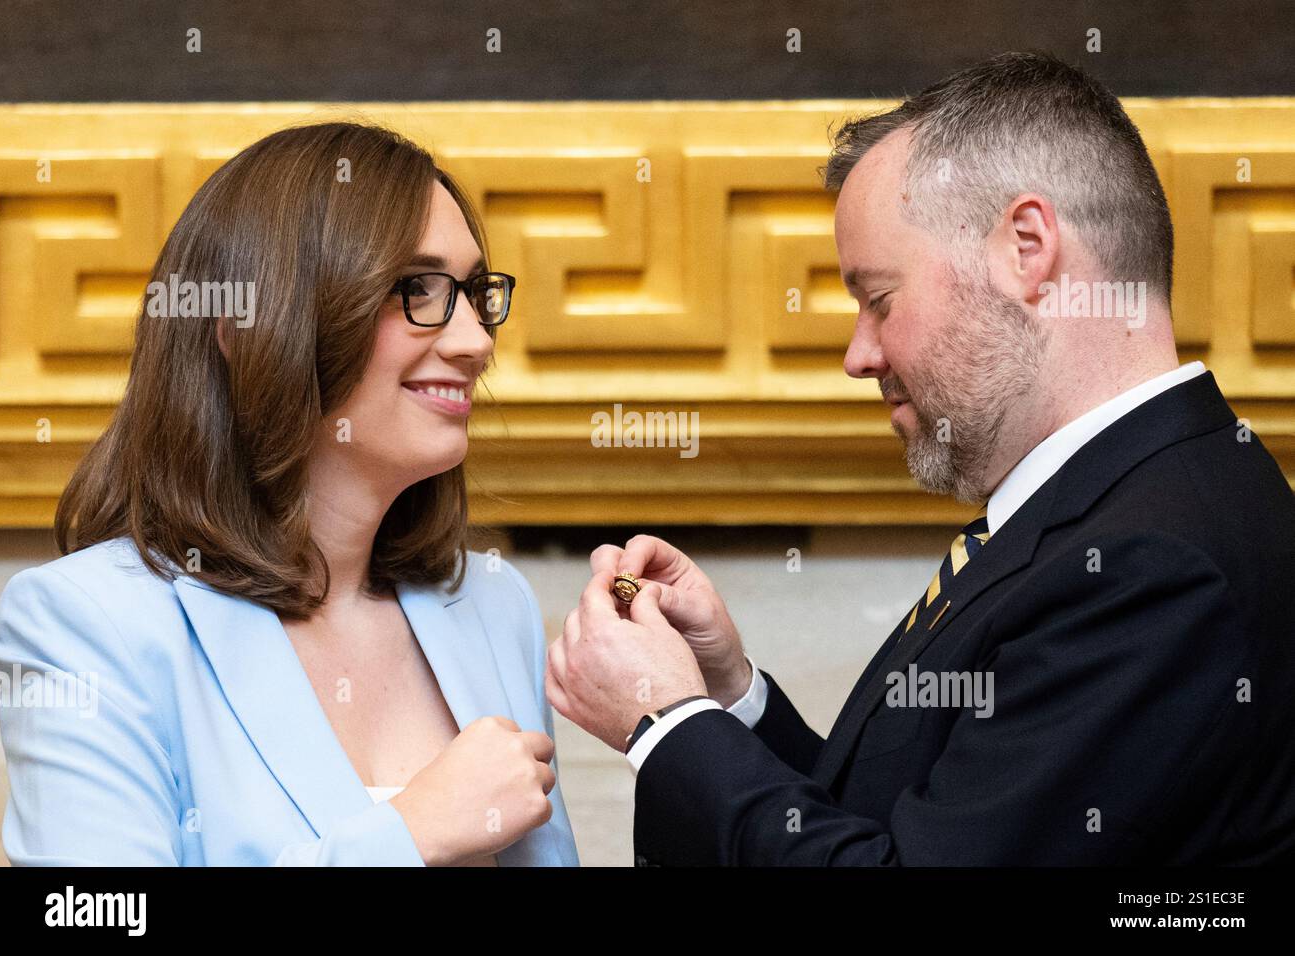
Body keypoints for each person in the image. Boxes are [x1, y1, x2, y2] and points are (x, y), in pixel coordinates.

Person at [546, 52, 1295, 865]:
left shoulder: (1147, 566)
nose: (858, 354)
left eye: (879, 299)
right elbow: (924, 823)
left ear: (1026, 248)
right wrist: (730, 696)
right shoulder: (1124, 498)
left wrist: (666, 723)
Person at [0, 121, 578, 866]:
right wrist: (410, 835)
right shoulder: (83, 623)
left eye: (471, 293)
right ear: (253, 326)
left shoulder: (495, 606)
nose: (475, 341)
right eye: (417, 290)